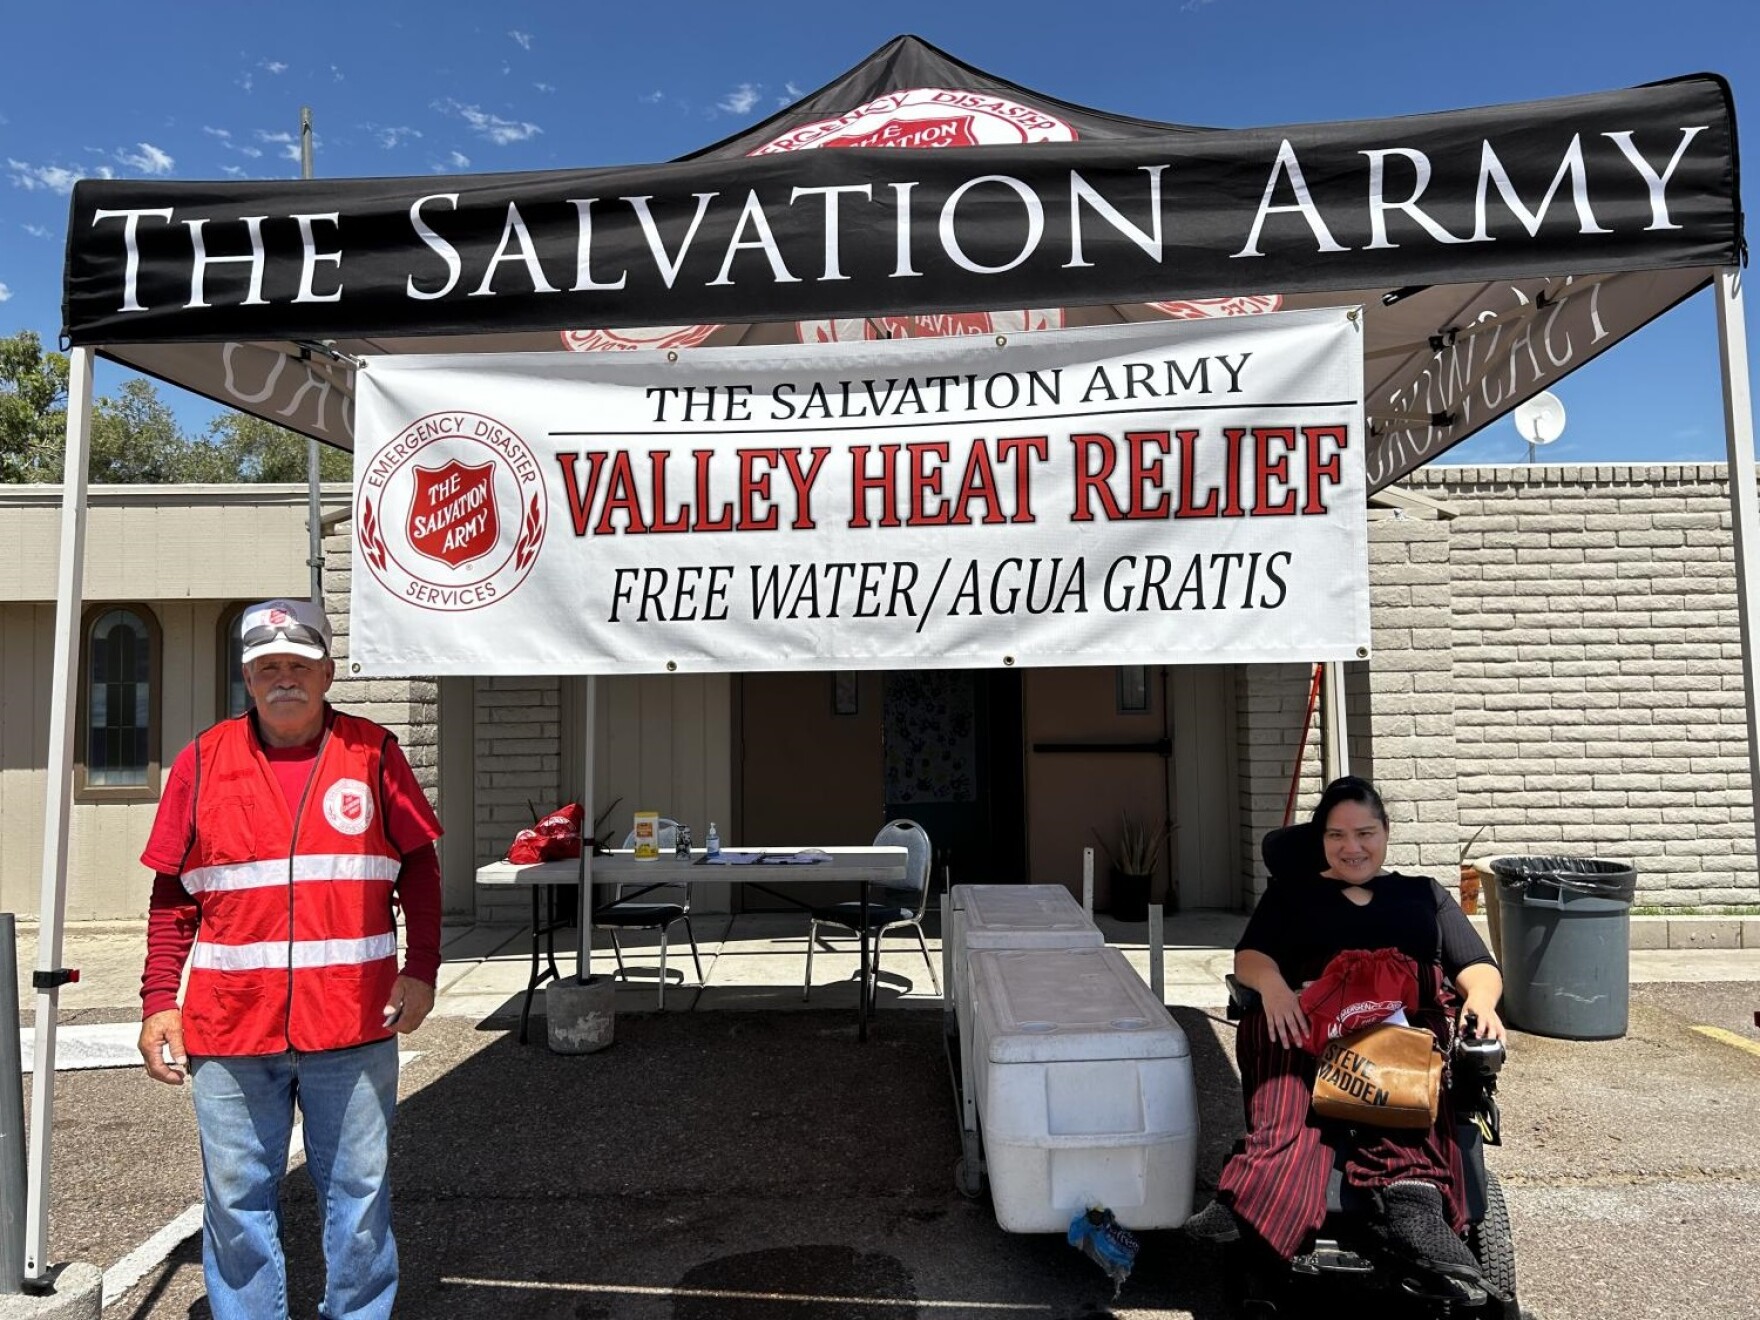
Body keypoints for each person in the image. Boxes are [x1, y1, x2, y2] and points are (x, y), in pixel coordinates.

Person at [136, 598, 443, 1320]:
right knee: (236, 1204)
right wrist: (157, 1001)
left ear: (327, 673)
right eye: (267, 667)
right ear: (247, 678)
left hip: (354, 1022)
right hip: (232, 1029)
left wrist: (422, 967)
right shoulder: (203, 761)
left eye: (299, 666)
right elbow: (171, 895)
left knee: (359, 1200)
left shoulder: (373, 752)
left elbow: (419, 866)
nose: (284, 679)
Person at [1194, 775, 1505, 1282]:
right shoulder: (1293, 895)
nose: (1352, 847)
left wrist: (1483, 999)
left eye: (1364, 833)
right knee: (1273, 1029)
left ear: (1384, 833)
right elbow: (1251, 956)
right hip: (1313, 1021)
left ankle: (1413, 1199)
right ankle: (1257, 1189)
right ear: (1321, 841)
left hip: (1396, 1025)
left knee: (1410, 1060)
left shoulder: (1422, 895)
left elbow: (1475, 963)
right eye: (1337, 835)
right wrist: (1272, 986)